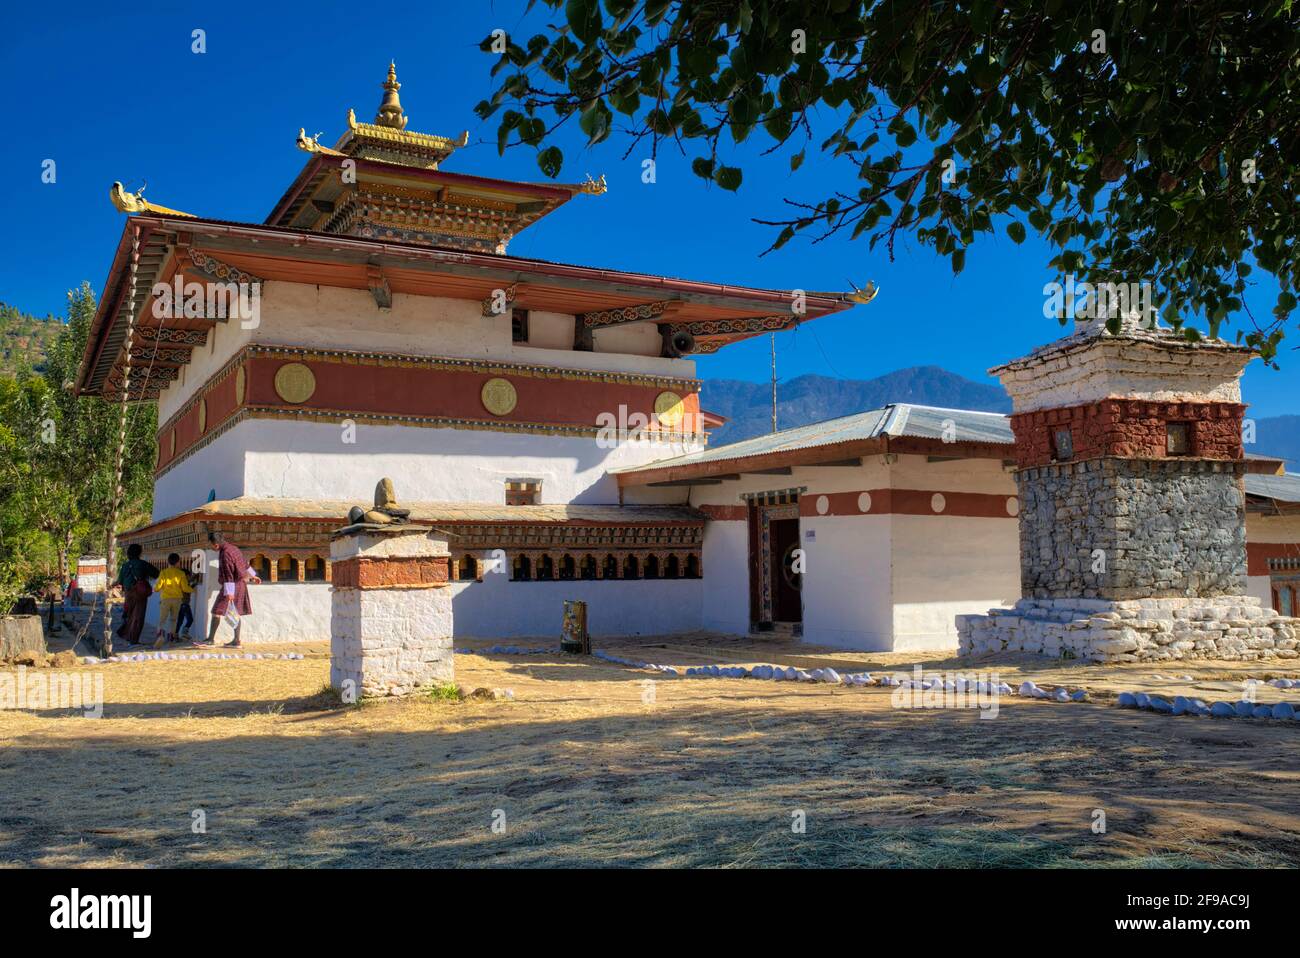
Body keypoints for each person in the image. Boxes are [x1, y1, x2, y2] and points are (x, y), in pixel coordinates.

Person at [200, 531, 260, 648]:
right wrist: (253, 576)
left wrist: (229, 592)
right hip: (240, 584)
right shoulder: (234, 548)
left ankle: (211, 640)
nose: (212, 548)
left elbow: (228, 574)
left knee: (216, 611)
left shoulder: (225, 554)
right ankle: (236, 641)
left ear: (216, 545)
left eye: (211, 545)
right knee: (235, 612)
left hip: (232, 585)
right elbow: (245, 564)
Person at [111, 544, 159, 647]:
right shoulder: (143, 564)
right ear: (140, 553)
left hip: (128, 593)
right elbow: (156, 573)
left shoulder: (125, 565)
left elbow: (120, 581)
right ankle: (133, 639)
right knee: (138, 616)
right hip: (140, 593)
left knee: (130, 615)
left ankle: (126, 635)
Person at [153, 553, 192, 647]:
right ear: (178, 562)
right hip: (177, 600)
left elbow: (157, 588)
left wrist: (155, 588)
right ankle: (171, 639)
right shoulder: (181, 573)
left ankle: (160, 636)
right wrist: (193, 589)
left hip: (165, 599)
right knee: (173, 620)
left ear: (168, 562)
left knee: (162, 619)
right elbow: (185, 588)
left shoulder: (163, 572)